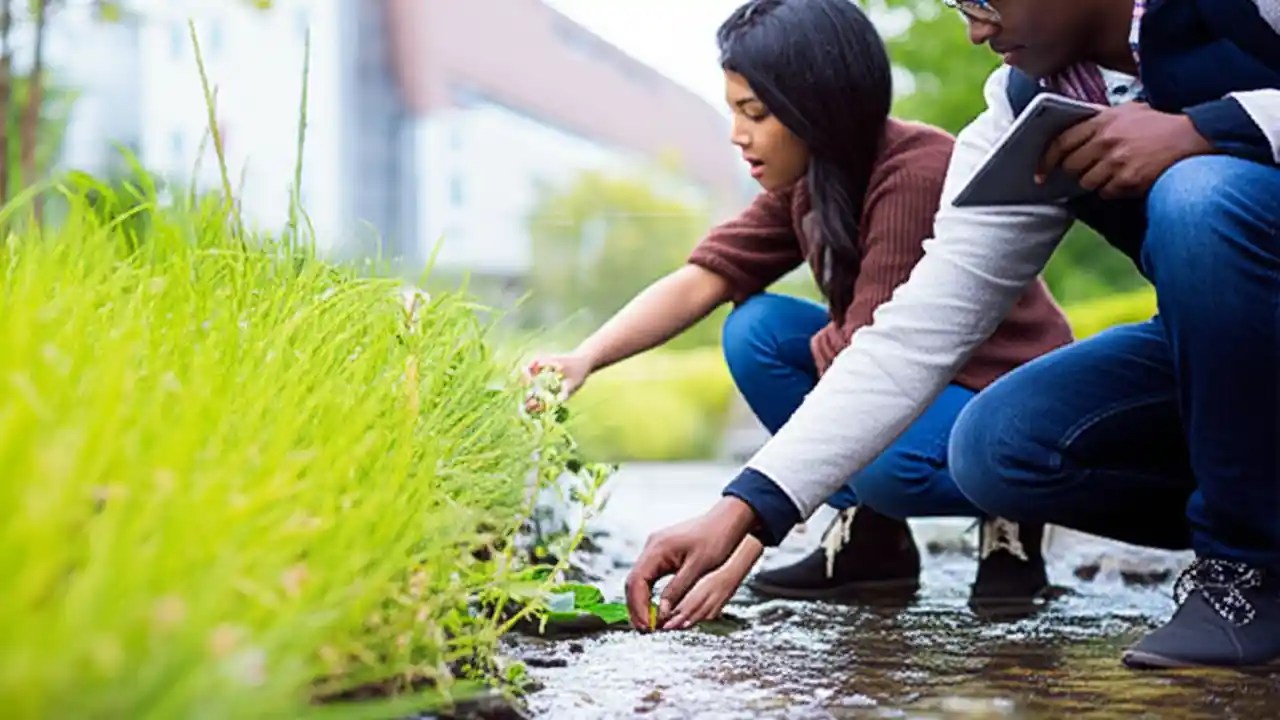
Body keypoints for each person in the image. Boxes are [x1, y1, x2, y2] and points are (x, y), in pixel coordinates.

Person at [625, 0, 1280, 670]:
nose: (974, 30)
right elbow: (912, 337)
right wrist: (744, 513)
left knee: (1202, 197)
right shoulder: (1023, 113)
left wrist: (1210, 129)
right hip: (1239, 365)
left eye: (983, 3)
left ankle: (1251, 573)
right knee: (998, 448)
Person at [531, 0, 1074, 624]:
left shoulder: (915, 172)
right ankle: (872, 539)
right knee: (757, 329)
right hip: (907, 387)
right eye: (734, 111)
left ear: (815, 109)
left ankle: (1011, 515)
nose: (737, 135)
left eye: (754, 114)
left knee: (882, 457)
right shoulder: (809, 180)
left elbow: (874, 367)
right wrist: (585, 358)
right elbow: (703, 278)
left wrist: (739, 545)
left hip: (997, 396)